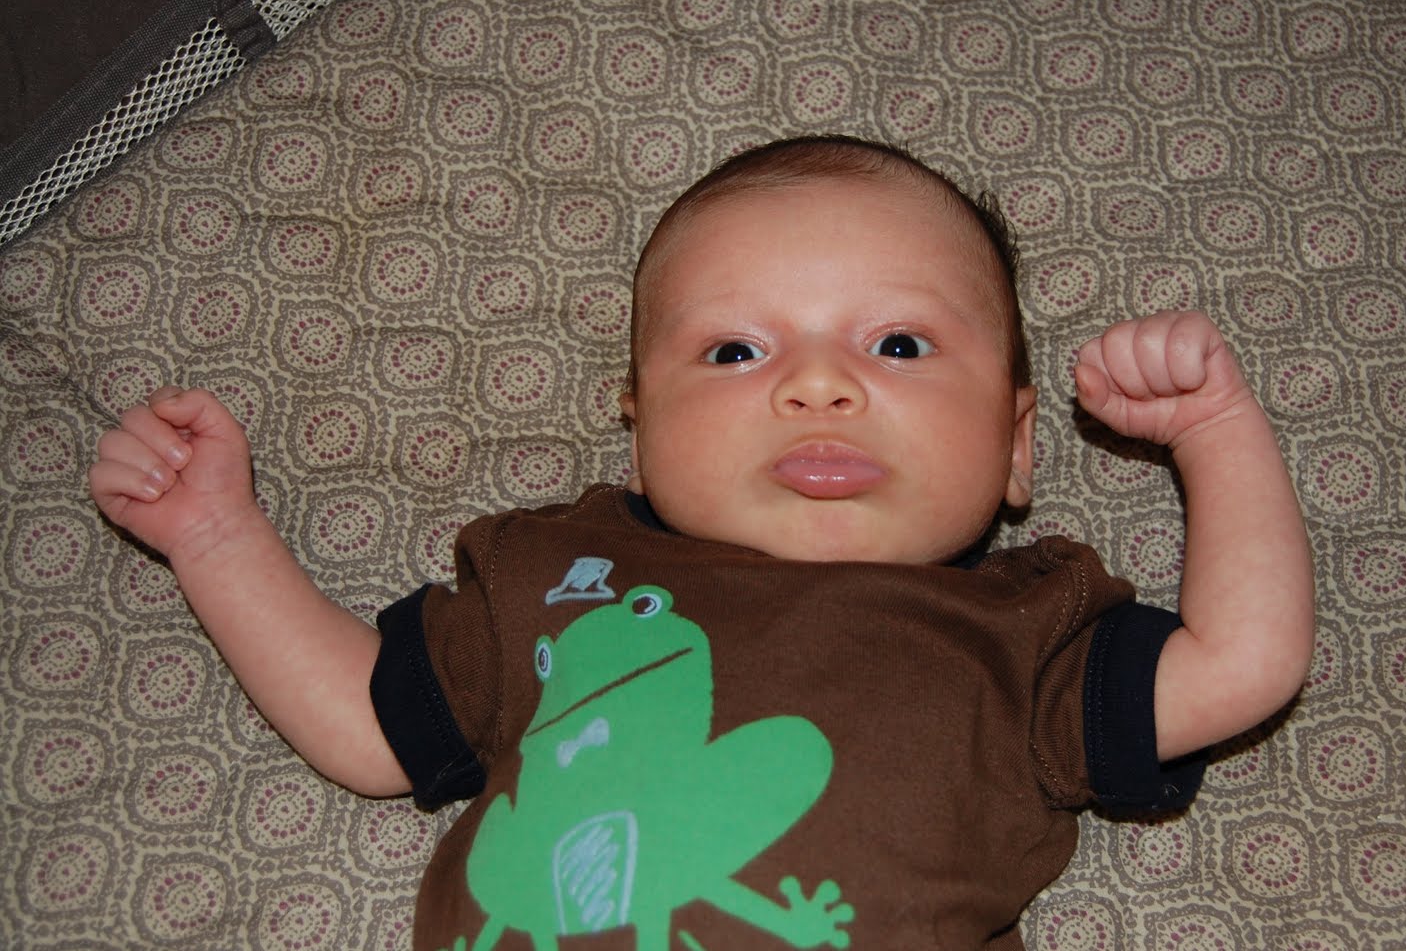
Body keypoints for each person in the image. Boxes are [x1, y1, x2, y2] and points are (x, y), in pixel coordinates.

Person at [90, 135, 1314, 951]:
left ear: (1014, 446)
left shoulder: (1022, 636)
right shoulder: (563, 579)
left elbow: (1240, 663)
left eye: (897, 344)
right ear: (640, 427)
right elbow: (368, 727)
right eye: (736, 350)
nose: (818, 385)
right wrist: (213, 532)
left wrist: (1212, 431)